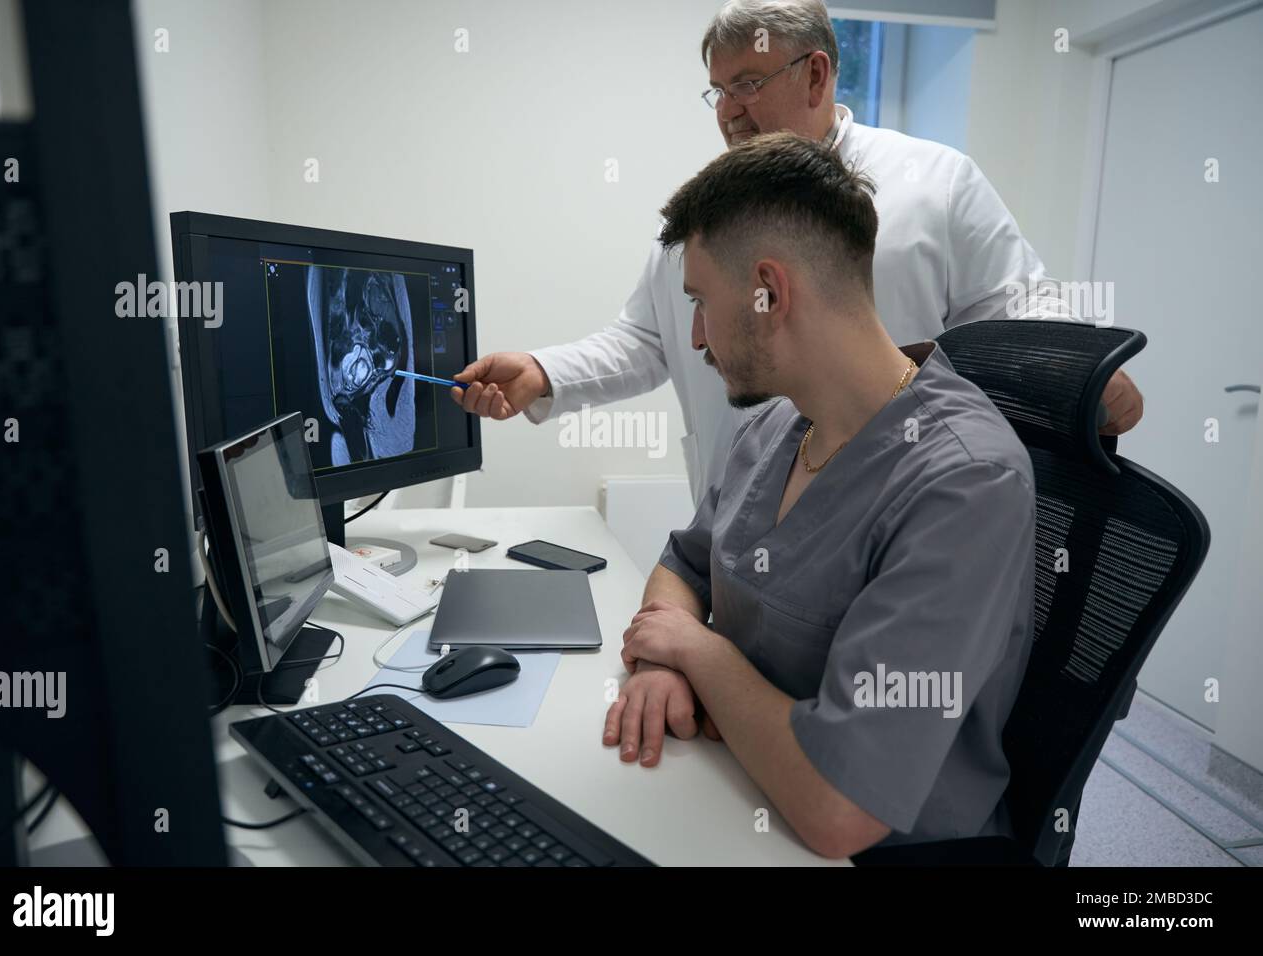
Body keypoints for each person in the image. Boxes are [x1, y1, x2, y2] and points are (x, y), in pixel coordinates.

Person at [450, 0, 1143, 508]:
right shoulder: (709, 212)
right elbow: (646, 338)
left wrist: (1074, 374)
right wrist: (543, 373)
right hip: (737, 527)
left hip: (892, 522)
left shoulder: (936, 184)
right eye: (718, 91)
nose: (728, 111)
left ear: (816, 76)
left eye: (747, 83)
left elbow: (1021, 308)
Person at [602, 131, 1036, 857]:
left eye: (702, 302)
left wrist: (699, 655)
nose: (700, 336)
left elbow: (842, 811)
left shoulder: (964, 483)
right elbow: (684, 565)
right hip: (740, 791)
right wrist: (656, 665)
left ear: (771, 291)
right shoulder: (776, 420)